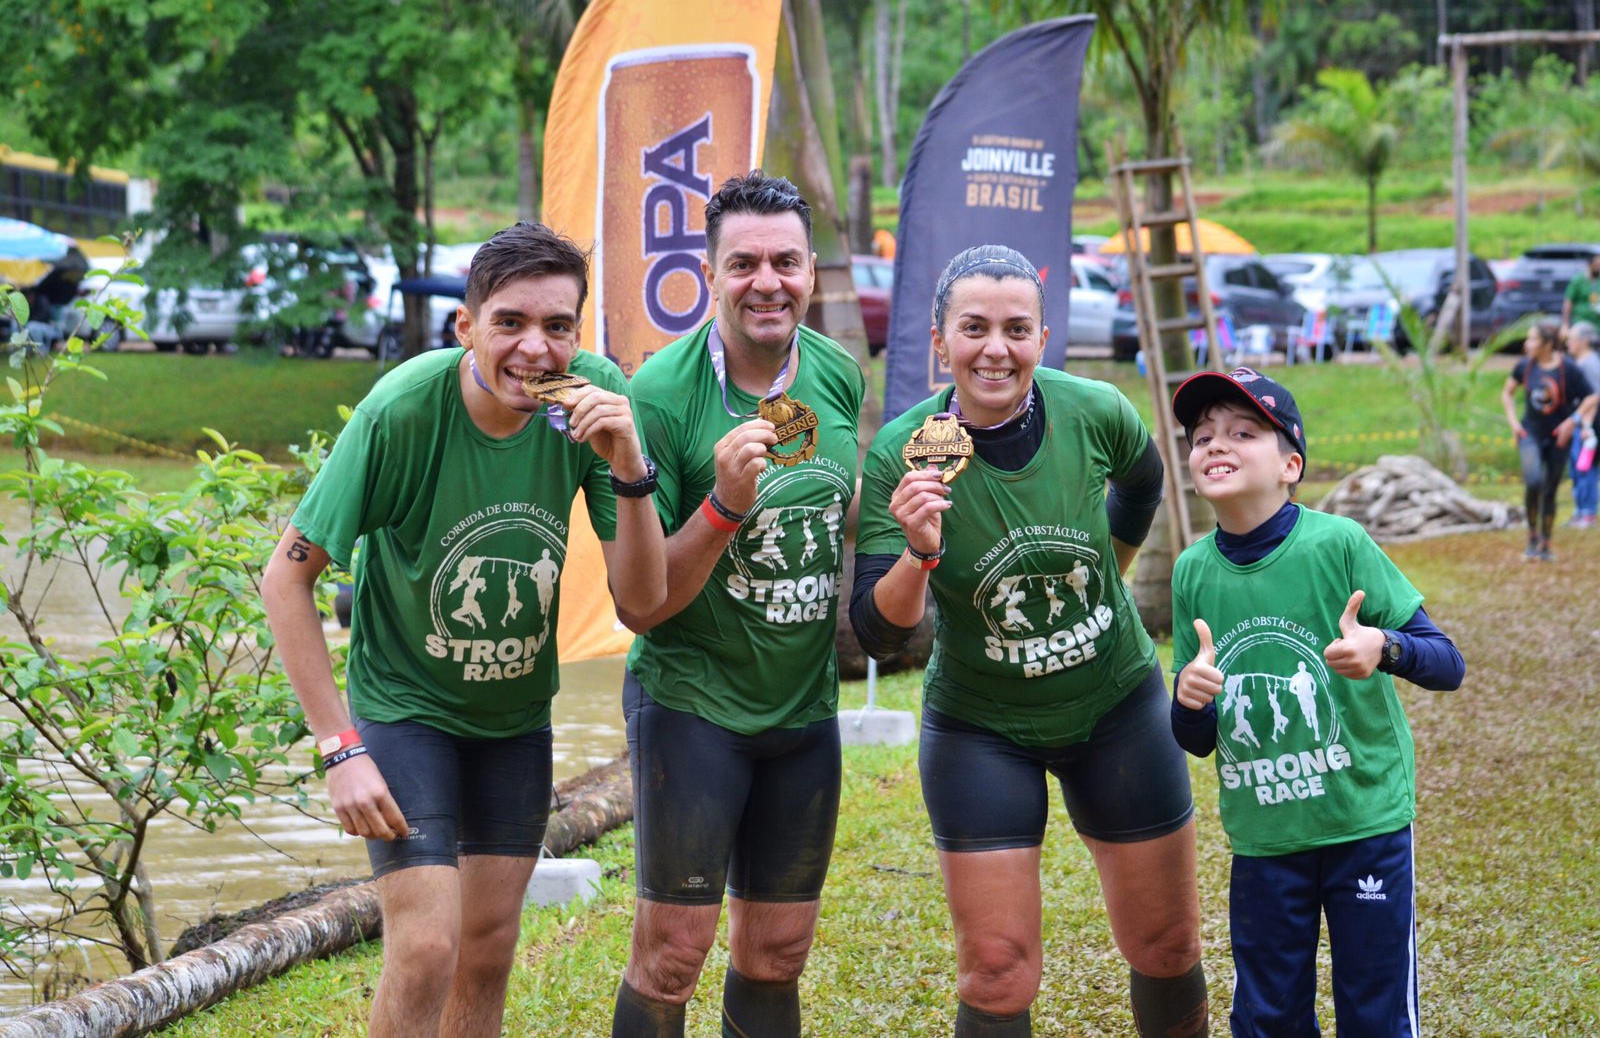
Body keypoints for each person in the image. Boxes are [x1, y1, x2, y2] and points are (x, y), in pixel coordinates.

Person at [261, 222, 666, 1038]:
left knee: (487, 950)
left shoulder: (591, 403)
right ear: (466, 328)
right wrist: (339, 748)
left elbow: (643, 603)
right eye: (510, 323)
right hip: (408, 710)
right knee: (426, 948)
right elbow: (286, 578)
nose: (536, 349)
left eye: (558, 326)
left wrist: (629, 465)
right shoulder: (404, 411)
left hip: (514, 722)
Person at [850, 245, 1207, 1037]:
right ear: (941, 343)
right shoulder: (902, 453)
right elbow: (879, 632)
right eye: (973, 328)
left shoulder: (1095, 411)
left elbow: (1143, 481)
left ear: (1044, 340)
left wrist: (1111, 567)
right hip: (983, 729)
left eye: (1017, 329)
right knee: (999, 968)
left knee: (1167, 943)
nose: (996, 349)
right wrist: (918, 549)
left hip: (1117, 705)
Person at [610, 170, 865, 1037]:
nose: (768, 282)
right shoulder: (659, 399)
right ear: (710, 273)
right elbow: (642, 606)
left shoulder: (835, 374)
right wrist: (721, 505)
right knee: (674, 954)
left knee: (777, 954)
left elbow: (841, 509)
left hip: (803, 712)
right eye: (745, 263)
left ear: (811, 271)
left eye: (786, 262)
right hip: (694, 707)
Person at [1167, 365, 1466, 1035]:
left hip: (1366, 824)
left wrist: (1383, 647)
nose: (1216, 444)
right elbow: (1196, 736)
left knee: (1375, 1012)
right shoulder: (1191, 570)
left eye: (1243, 432)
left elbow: (1448, 664)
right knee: (1268, 1016)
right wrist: (1189, 699)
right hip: (1266, 839)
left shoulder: (1339, 544)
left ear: (1290, 464)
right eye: (1202, 435)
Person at [1500, 316, 1598, 561]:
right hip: (1529, 434)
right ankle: (1532, 536)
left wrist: (1572, 422)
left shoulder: (1568, 369)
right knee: (1533, 481)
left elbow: (1592, 397)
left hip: (1558, 438)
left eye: (1532, 339)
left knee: (1550, 489)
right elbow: (1507, 393)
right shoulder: (1524, 366)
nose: (1527, 344)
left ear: (1546, 343)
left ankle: (1545, 542)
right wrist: (1513, 423)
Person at [1563, 321, 1600, 527]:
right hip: (1580, 423)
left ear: (1584, 341)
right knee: (1577, 468)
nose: (1568, 343)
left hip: (1589, 425)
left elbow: (1595, 396)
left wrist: (1586, 426)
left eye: (1571, 339)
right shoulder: (1580, 362)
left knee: (1587, 468)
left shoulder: (1590, 363)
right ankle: (1580, 511)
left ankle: (1588, 513)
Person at [1561, 252, 1600, 333]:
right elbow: (1568, 302)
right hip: (1580, 321)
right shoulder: (1578, 280)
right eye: (1597, 265)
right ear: (1590, 264)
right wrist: (1565, 324)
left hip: (1597, 323)